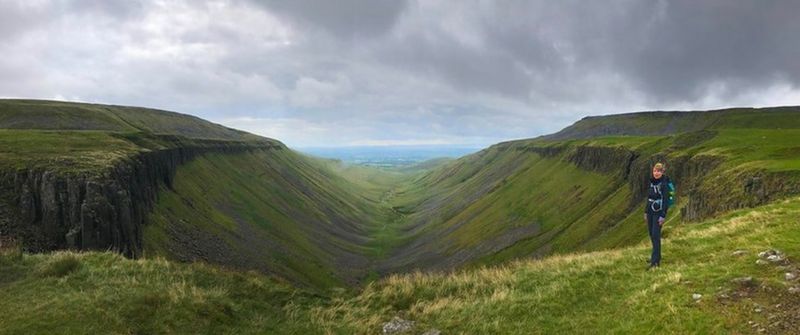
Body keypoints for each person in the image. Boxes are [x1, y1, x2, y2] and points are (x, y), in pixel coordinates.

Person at [645, 162, 671, 270]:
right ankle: (656, 256)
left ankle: (655, 262)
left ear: (662, 172)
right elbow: (648, 197)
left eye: (658, 171)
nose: (656, 173)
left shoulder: (664, 184)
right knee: (651, 234)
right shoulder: (652, 183)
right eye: (655, 171)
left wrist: (663, 215)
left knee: (656, 236)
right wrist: (646, 212)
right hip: (650, 211)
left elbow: (665, 201)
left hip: (658, 212)